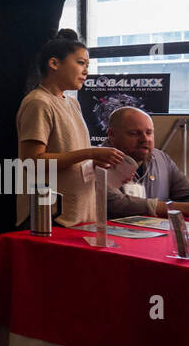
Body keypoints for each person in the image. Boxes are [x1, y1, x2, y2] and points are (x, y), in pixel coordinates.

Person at [16, 30, 123, 229]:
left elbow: (73, 155)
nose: (85, 71)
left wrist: (96, 160)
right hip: (50, 215)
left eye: (87, 65)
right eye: (81, 63)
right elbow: (33, 161)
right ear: (54, 64)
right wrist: (89, 152)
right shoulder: (38, 102)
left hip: (80, 212)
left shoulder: (73, 103)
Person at [105, 107, 189, 220]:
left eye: (149, 133)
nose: (145, 139)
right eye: (134, 133)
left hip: (157, 239)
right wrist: (186, 208)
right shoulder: (98, 162)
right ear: (112, 135)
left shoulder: (161, 158)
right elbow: (117, 204)